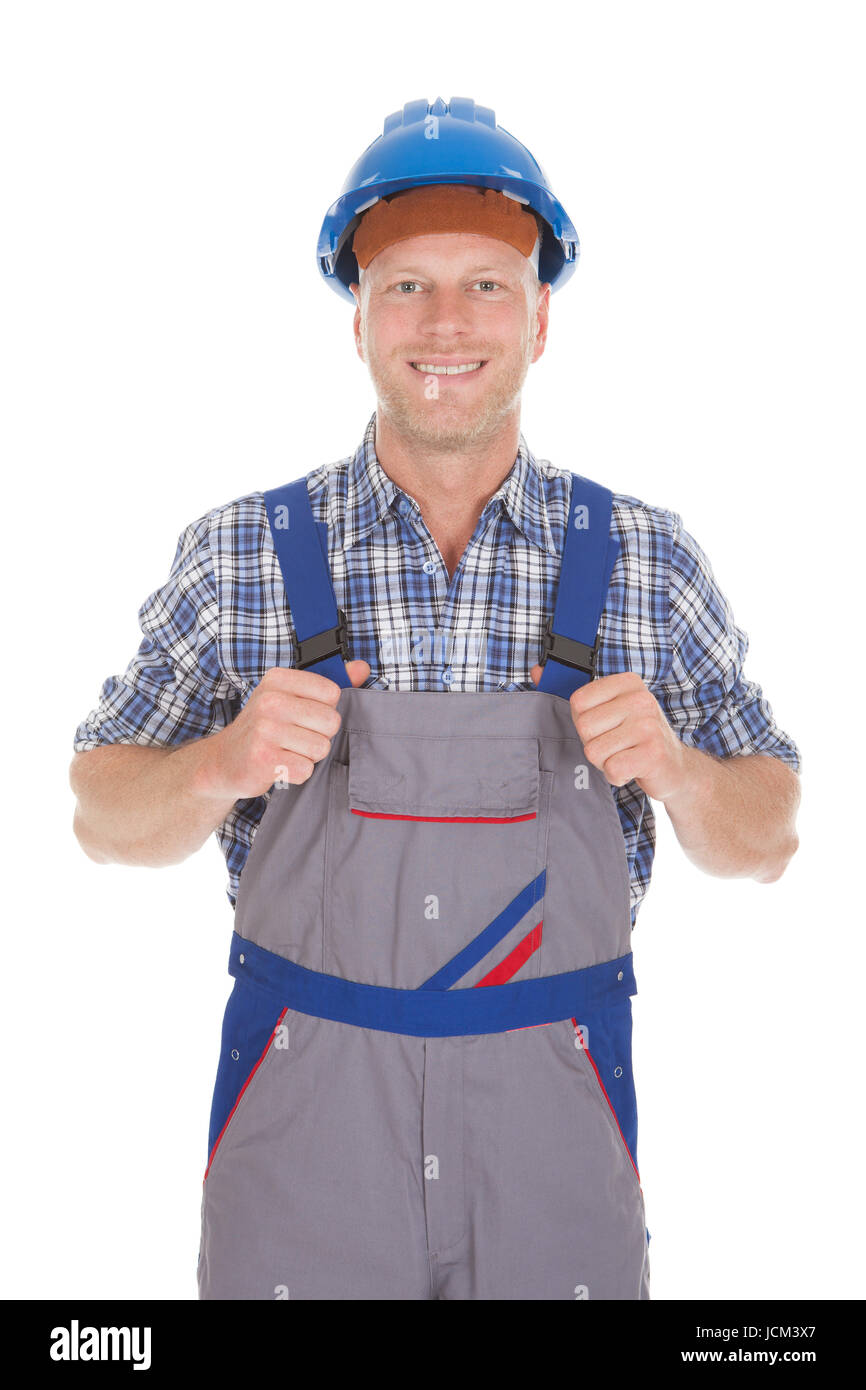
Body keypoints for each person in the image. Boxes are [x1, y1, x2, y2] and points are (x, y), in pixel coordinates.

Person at [69, 97, 801, 1301]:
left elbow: (768, 837)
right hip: (304, 1151)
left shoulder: (645, 562)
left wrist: (678, 768)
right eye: (405, 286)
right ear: (354, 316)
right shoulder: (242, 553)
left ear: (541, 316)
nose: (445, 323)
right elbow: (101, 814)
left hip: (551, 1154)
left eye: (486, 285)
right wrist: (215, 763)